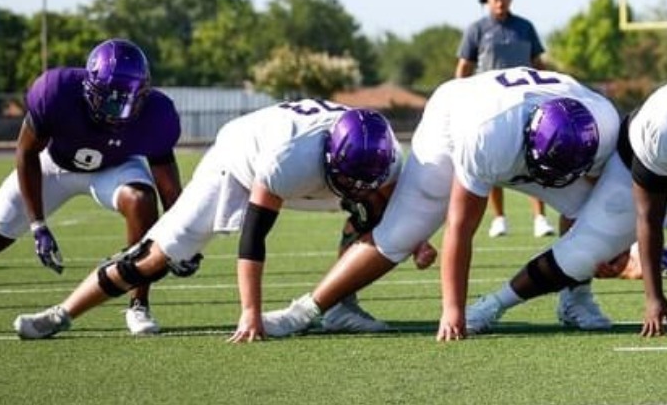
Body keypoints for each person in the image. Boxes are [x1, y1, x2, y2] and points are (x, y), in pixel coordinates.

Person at [261, 66, 620, 341]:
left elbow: (606, 197)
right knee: (402, 233)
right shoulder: (487, 137)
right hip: (456, 121)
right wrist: (453, 310)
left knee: (589, 212)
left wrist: (615, 246)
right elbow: (460, 229)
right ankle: (305, 311)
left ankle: (576, 298)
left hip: (531, 133)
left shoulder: (602, 126)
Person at [461, 55, 667, 338]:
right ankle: (493, 304)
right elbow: (649, 218)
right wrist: (654, 296)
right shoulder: (665, 122)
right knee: (582, 254)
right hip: (636, 181)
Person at [14, 104, 402, 341]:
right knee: (154, 258)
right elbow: (253, 237)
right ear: (334, 156)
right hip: (238, 163)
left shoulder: (385, 153)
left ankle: (341, 307)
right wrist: (251, 311)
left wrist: (415, 241)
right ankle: (61, 314)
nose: (355, 187)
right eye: (350, 179)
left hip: (311, 166)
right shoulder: (289, 158)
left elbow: (394, 198)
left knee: (375, 209)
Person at [0, 39, 183, 335]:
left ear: (144, 94)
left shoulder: (158, 113)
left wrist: (181, 237)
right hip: (53, 165)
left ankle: (138, 305)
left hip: (114, 167)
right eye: (108, 98)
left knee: (141, 200)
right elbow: (26, 153)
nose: (116, 110)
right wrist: (37, 223)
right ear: (88, 87)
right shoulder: (56, 90)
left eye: (126, 100)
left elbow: (168, 185)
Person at [458, 0, 556, 240]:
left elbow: (538, 63)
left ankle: (540, 218)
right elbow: (464, 68)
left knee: (535, 158)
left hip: (525, 103)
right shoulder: (476, 29)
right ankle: (499, 218)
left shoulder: (525, 27)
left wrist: (549, 91)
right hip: (490, 104)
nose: (500, 0)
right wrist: (460, 98)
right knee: (492, 159)